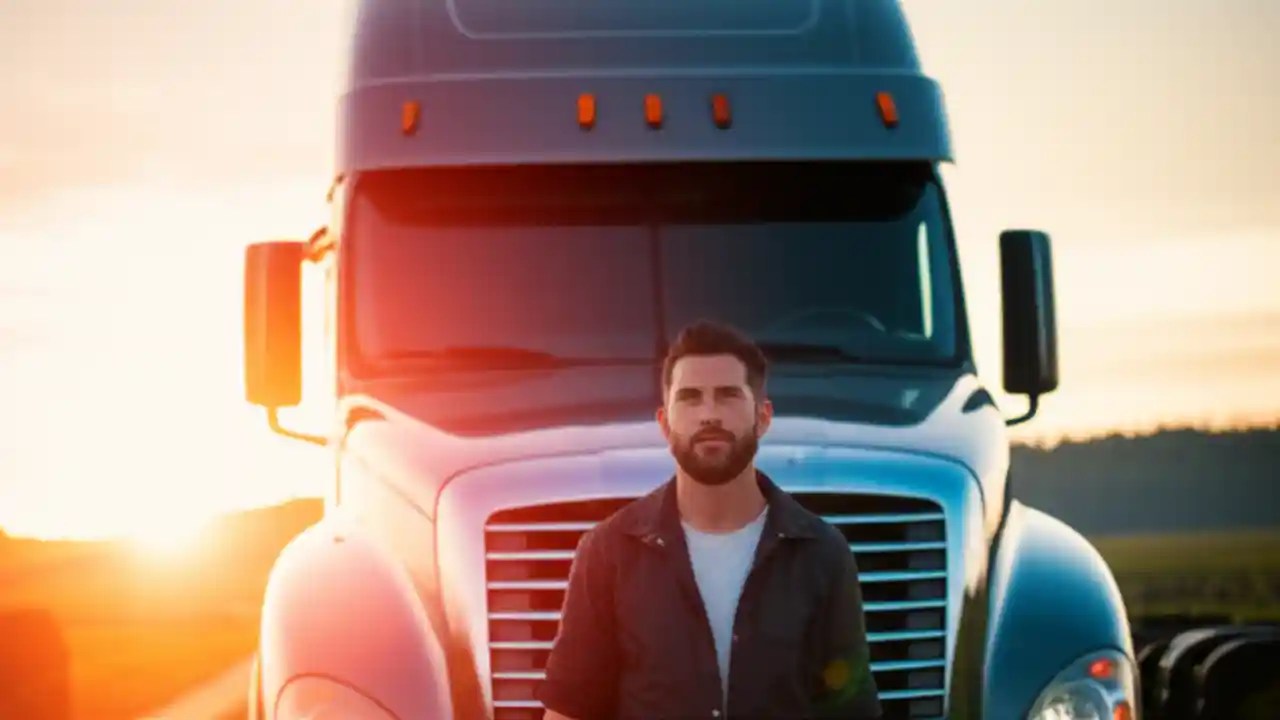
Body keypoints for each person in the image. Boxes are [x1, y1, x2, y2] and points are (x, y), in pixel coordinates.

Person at [536, 319, 882, 719]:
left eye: (728, 395)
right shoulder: (607, 553)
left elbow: (850, 712)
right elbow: (570, 711)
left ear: (763, 418)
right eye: (691, 398)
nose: (709, 414)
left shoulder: (823, 555)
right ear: (665, 424)